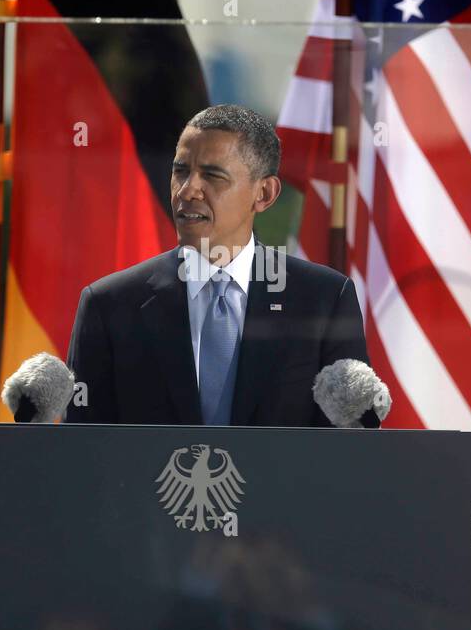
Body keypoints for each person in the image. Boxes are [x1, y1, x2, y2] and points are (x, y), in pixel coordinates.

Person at [65, 104, 369, 426]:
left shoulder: (323, 301)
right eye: (181, 171)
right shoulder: (109, 305)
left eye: (212, 175)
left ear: (264, 193)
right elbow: (85, 456)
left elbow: (347, 456)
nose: (188, 190)